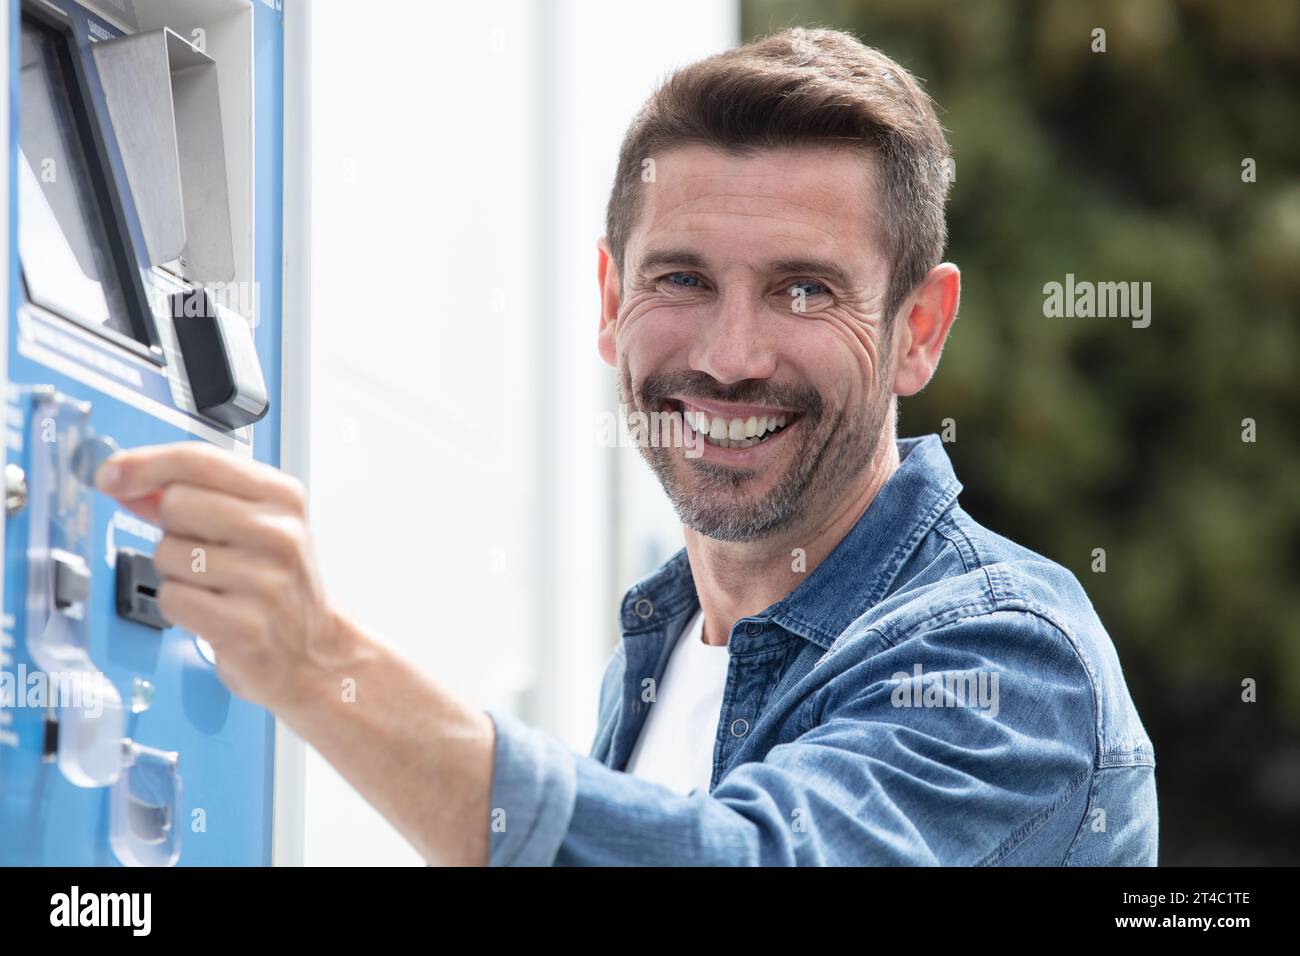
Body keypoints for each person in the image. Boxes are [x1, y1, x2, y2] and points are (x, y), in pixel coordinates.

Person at [94, 27, 1158, 866]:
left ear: (917, 329)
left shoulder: (1006, 661)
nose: (731, 357)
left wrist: (324, 663)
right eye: (682, 279)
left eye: (803, 289)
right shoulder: (662, 649)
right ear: (610, 298)